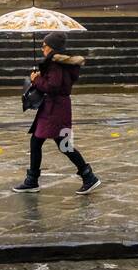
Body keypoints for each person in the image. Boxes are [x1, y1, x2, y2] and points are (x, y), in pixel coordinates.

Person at [13, 31, 100, 194]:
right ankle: (32, 179)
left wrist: (36, 79)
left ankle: (88, 176)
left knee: (63, 144)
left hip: (55, 109)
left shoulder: (54, 64)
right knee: (39, 141)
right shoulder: (63, 63)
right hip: (56, 107)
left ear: (51, 47)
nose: (42, 49)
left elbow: (52, 87)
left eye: (44, 46)